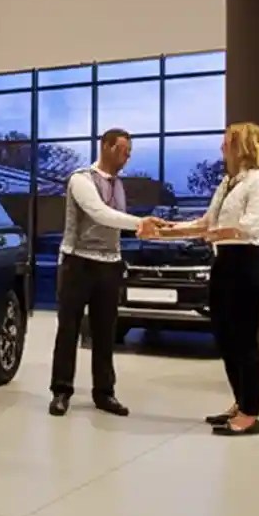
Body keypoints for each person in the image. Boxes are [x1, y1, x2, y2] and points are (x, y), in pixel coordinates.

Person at [148, 122, 259, 437]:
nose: (222, 148)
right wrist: (167, 230)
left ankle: (251, 414)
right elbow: (207, 222)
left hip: (248, 263)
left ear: (243, 145)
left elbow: (251, 226)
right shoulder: (228, 182)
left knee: (245, 340)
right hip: (224, 263)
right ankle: (240, 402)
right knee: (225, 337)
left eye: (227, 143)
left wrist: (212, 233)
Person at [48, 129, 163, 418]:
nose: (127, 156)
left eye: (129, 151)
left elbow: (112, 221)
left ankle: (104, 393)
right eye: (123, 149)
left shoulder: (119, 184)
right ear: (107, 147)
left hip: (109, 264)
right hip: (78, 263)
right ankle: (61, 391)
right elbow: (99, 213)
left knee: (105, 331)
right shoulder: (81, 179)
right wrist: (140, 222)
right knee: (69, 330)